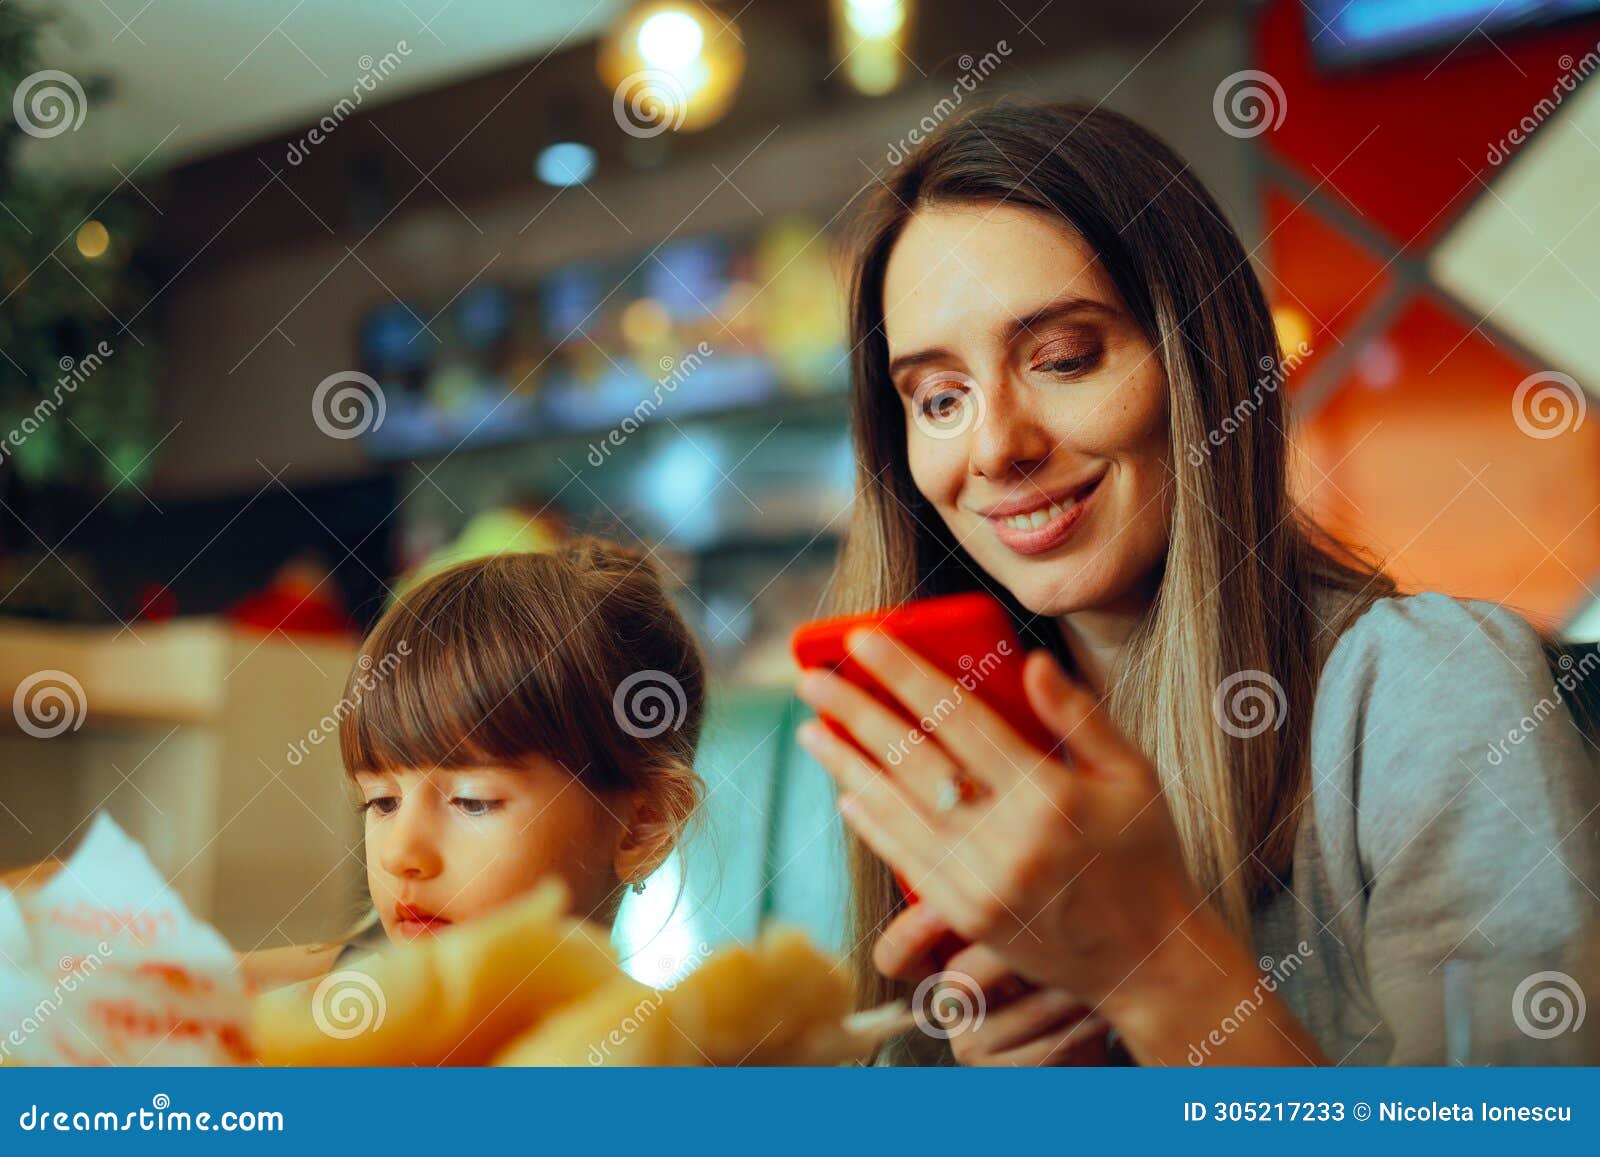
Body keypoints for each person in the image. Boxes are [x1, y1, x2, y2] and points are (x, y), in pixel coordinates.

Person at [795, 99, 1600, 1066]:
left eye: (1062, 358)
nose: (997, 444)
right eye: (940, 398)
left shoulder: (1421, 691)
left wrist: (1160, 975)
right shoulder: (947, 740)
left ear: (1204, 362)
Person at [239, 537, 705, 987]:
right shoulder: (356, 980)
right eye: (383, 803)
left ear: (642, 825)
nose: (399, 854)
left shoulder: (660, 1054)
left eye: (472, 802)